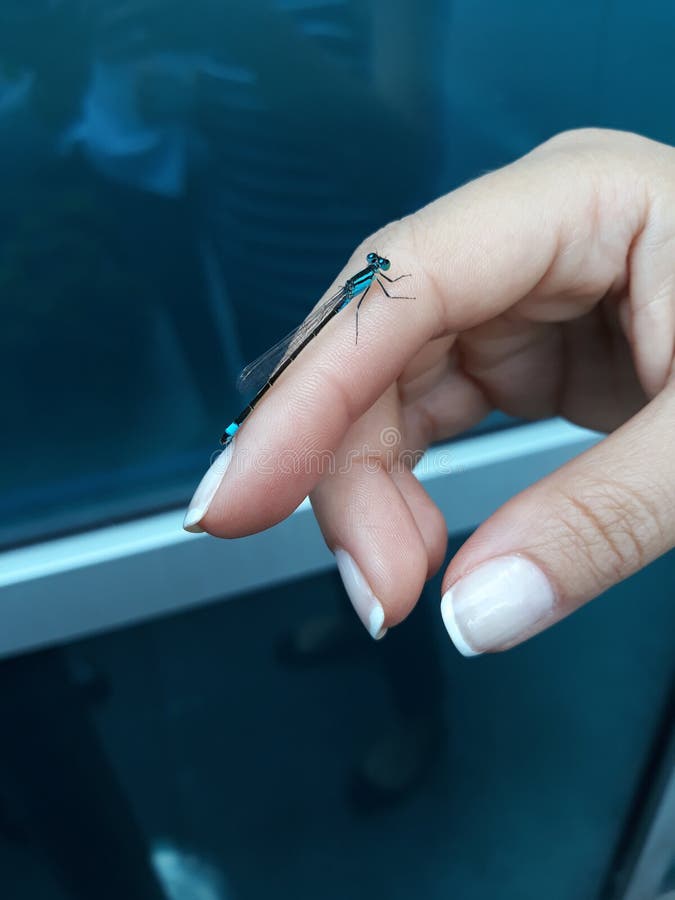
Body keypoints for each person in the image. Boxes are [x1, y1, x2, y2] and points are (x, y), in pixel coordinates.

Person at [184, 128, 675, 657]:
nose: (381, 271)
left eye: (379, 270)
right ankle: (242, 429)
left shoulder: (375, 281)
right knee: (299, 369)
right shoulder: (365, 285)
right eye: (378, 270)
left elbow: (382, 302)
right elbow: (356, 317)